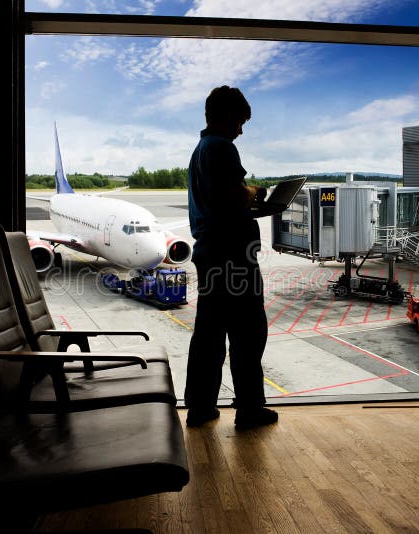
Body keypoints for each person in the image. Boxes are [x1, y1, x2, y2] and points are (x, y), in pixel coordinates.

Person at [184, 85, 278, 429]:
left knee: (209, 335)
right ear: (225, 117)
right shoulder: (221, 148)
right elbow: (236, 197)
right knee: (249, 333)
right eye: (239, 121)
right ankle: (250, 410)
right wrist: (257, 192)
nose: (241, 130)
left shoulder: (200, 149)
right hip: (231, 258)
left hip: (210, 254)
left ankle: (200, 406)